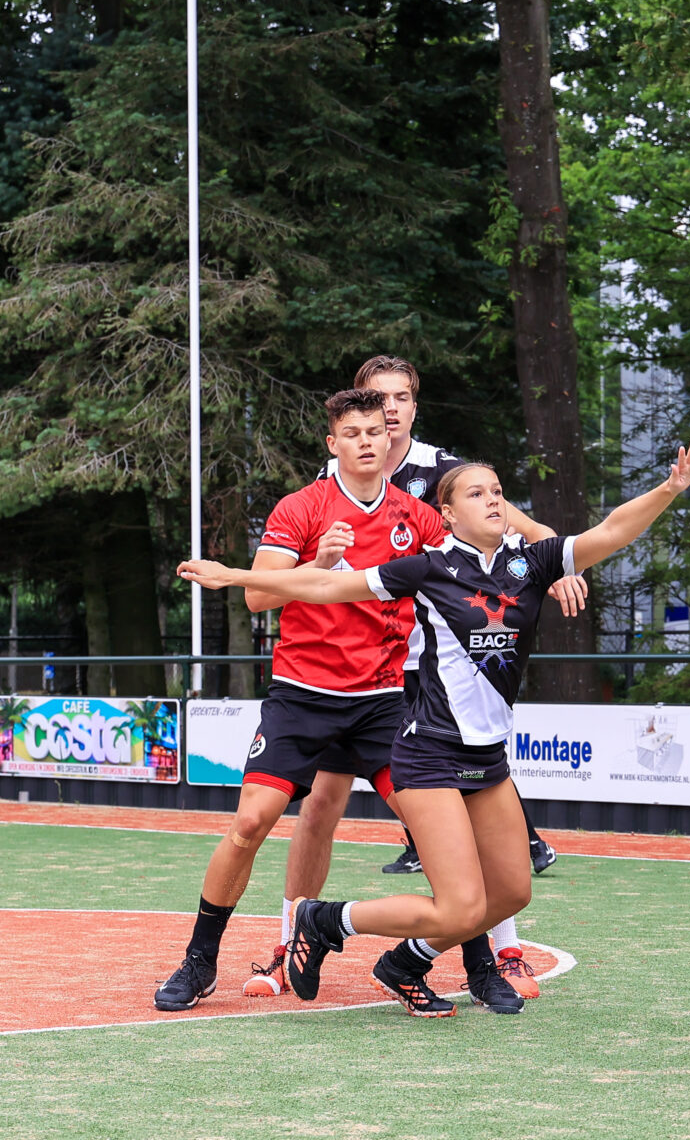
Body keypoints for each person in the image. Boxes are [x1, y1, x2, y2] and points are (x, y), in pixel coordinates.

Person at [179, 439, 690, 1018]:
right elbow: (328, 587)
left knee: (513, 891)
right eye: (477, 494)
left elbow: (610, 532)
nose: (494, 501)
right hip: (428, 754)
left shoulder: (530, 563)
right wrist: (233, 575)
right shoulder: (429, 568)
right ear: (448, 514)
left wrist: (670, 488)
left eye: (498, 492)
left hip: (488, 759)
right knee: (460, 906)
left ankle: (404, 962)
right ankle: (326, 919)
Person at [153, 388, 496, 1011]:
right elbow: (259, 597)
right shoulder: (302, 507)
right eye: (353, 433)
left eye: (376, 431)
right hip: (302, 696)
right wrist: (319, 561)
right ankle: (199, 962)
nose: (367, 442)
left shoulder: (418, 517)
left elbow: (483, 549)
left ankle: (477, 965)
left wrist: (558, 569)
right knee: (251, 822)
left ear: (390, 440)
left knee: (437, 828)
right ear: (333, 443)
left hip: (383, 702)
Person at [250, 355, 573, 1003]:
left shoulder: (443, 473)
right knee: (321, 808)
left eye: (400, 398)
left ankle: (500, 955)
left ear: (413, 408)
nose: (388, 410)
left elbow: (517, 525)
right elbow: (296, 582)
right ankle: (294, 943)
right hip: (357, 672)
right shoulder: (335, 479)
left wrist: (559, 564)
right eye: (377, 400)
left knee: (471, 812)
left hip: (426, 669)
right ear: (352, 420)